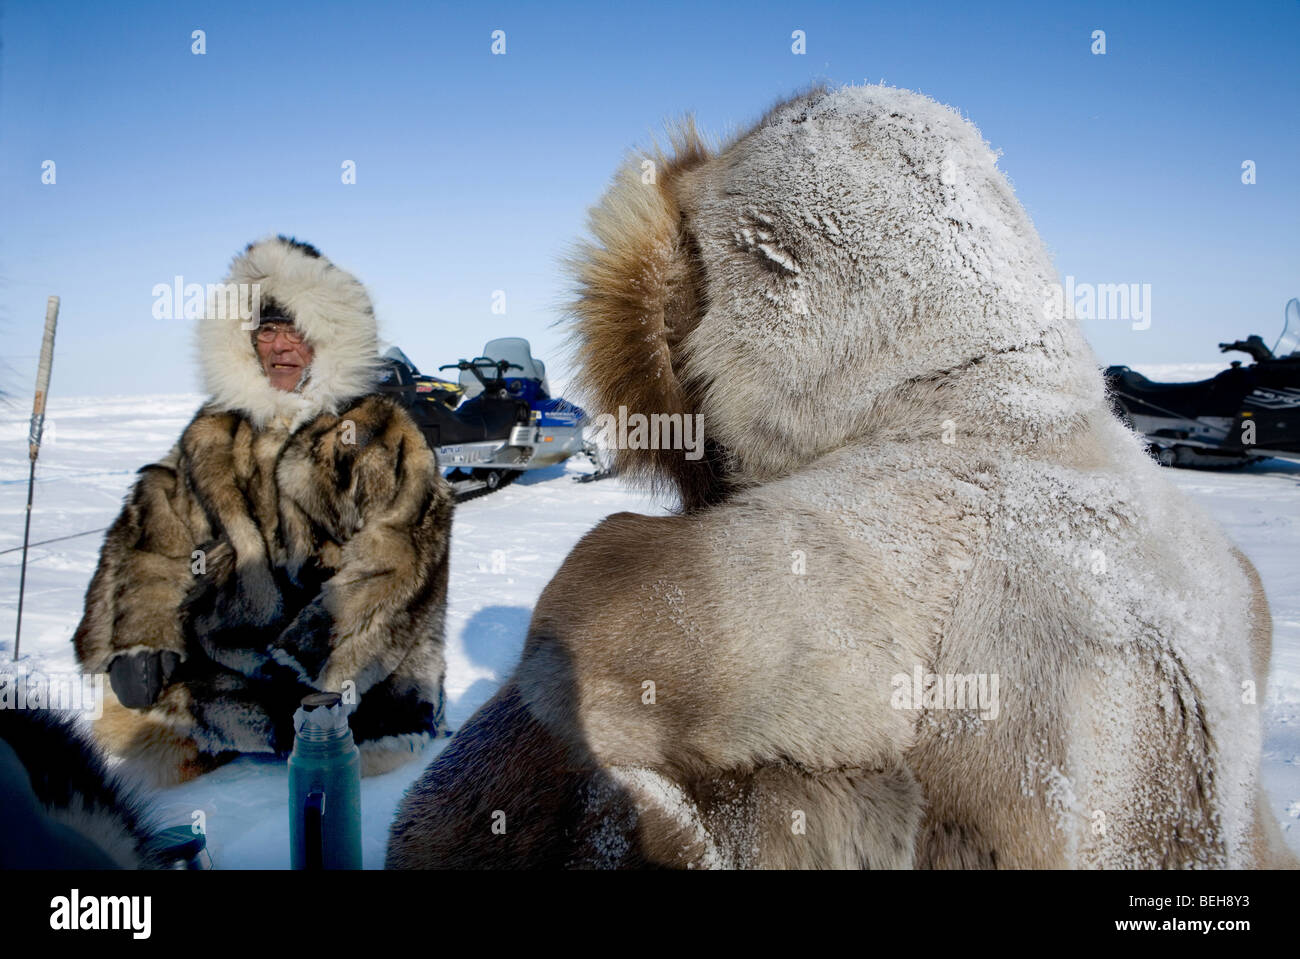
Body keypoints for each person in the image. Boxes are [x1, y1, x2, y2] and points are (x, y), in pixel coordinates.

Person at [73, 235, 453, 785]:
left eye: (294, 330)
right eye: (266, 330)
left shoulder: (379, 434)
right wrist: (142, 633)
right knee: (132, 764)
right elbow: (156, 540)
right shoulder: (214, 431)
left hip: (353, 686)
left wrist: (313, 662)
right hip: (227, 680)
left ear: (329, 338)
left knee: (348, 793)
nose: (278, 346)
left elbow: (399, 564)